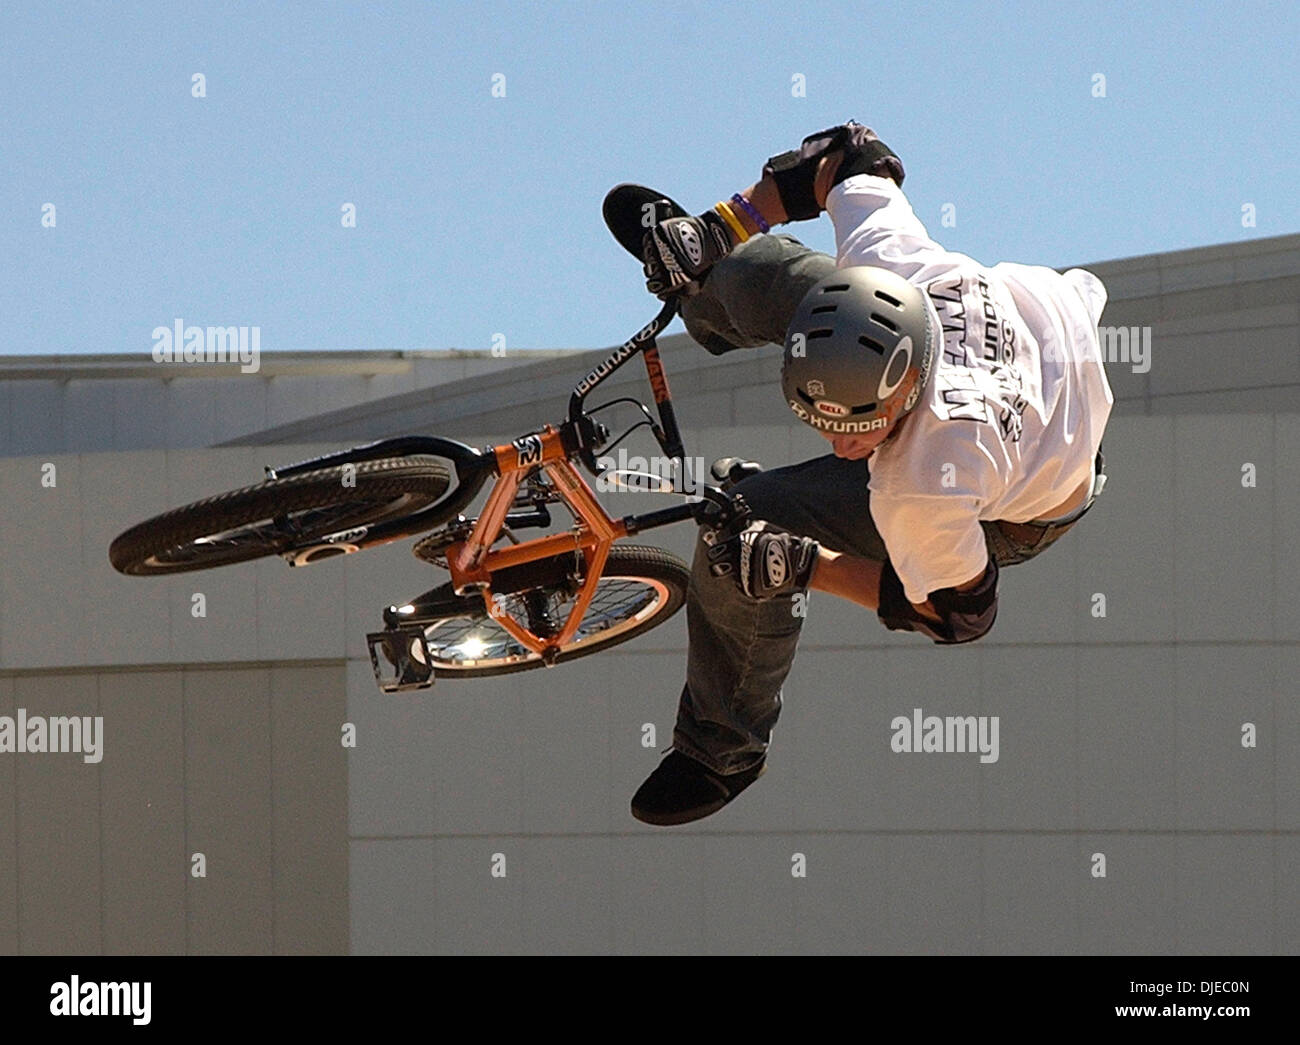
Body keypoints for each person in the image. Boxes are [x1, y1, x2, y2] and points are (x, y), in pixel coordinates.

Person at [629, 122, 1112, 826]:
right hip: (1039, 347)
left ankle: (722, 750)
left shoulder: (924, 481)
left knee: (739, 531)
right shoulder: (893, 265)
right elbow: (848, 155)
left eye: (853, 431)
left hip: (1024, 501)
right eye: (816, 420)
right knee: (760, 273)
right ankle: (699, 278)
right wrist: (718, 226)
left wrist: (806, 566)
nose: (832, 441)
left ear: (904, 396)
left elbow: (962, 614)